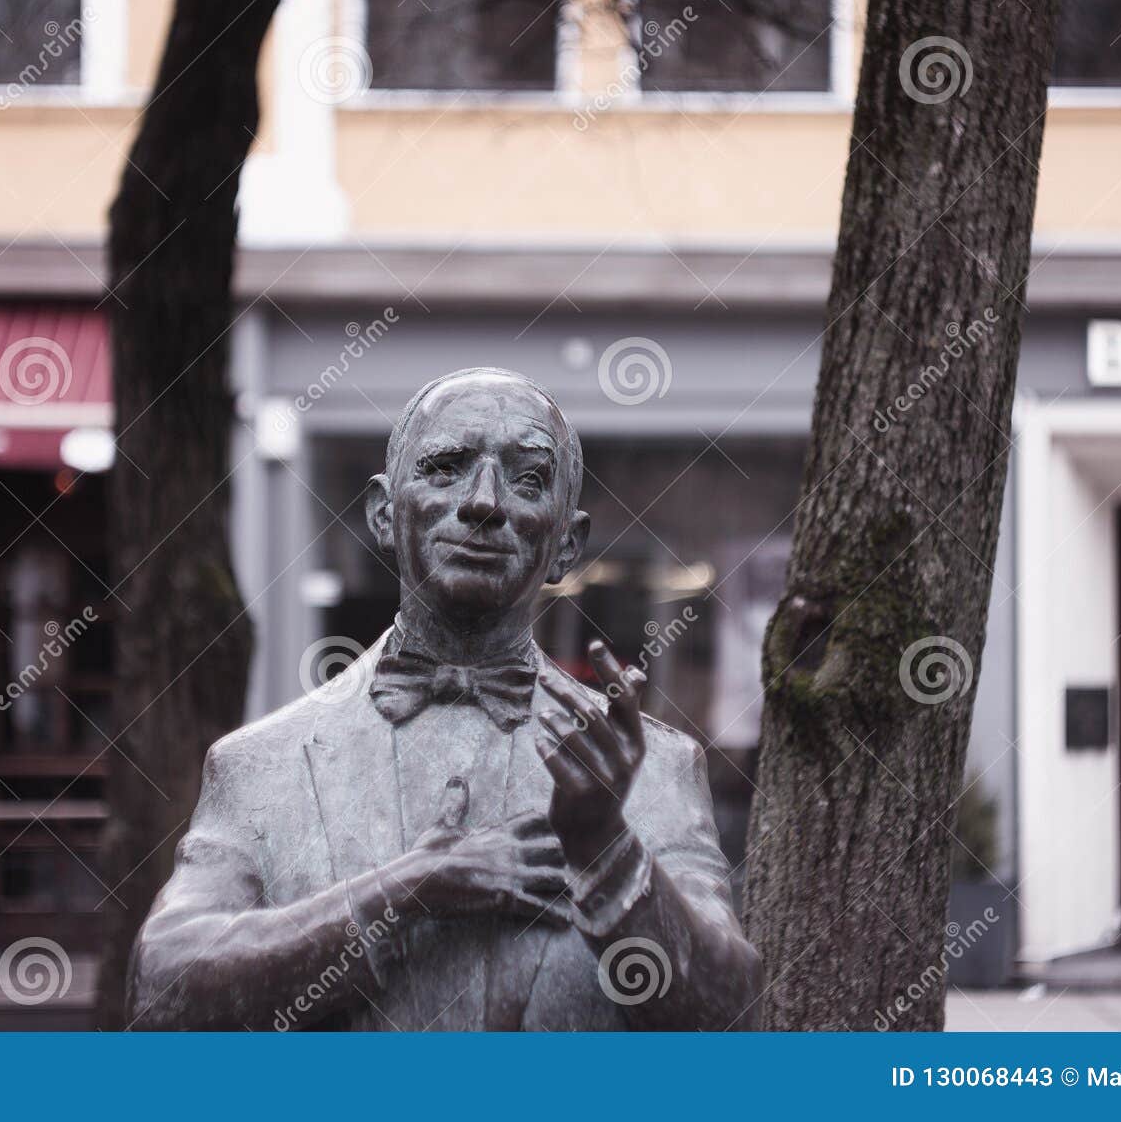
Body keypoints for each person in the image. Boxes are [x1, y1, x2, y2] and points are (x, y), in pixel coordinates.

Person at [128, 367, 761, 1030]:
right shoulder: (260, 765)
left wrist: (608, 852)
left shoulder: (655, 769)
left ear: (566, 544)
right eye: (446, 466)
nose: (485, 501)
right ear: (383, 513)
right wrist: (405, 891)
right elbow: (161, 993)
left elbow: (730, 1016)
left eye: (527, 479)